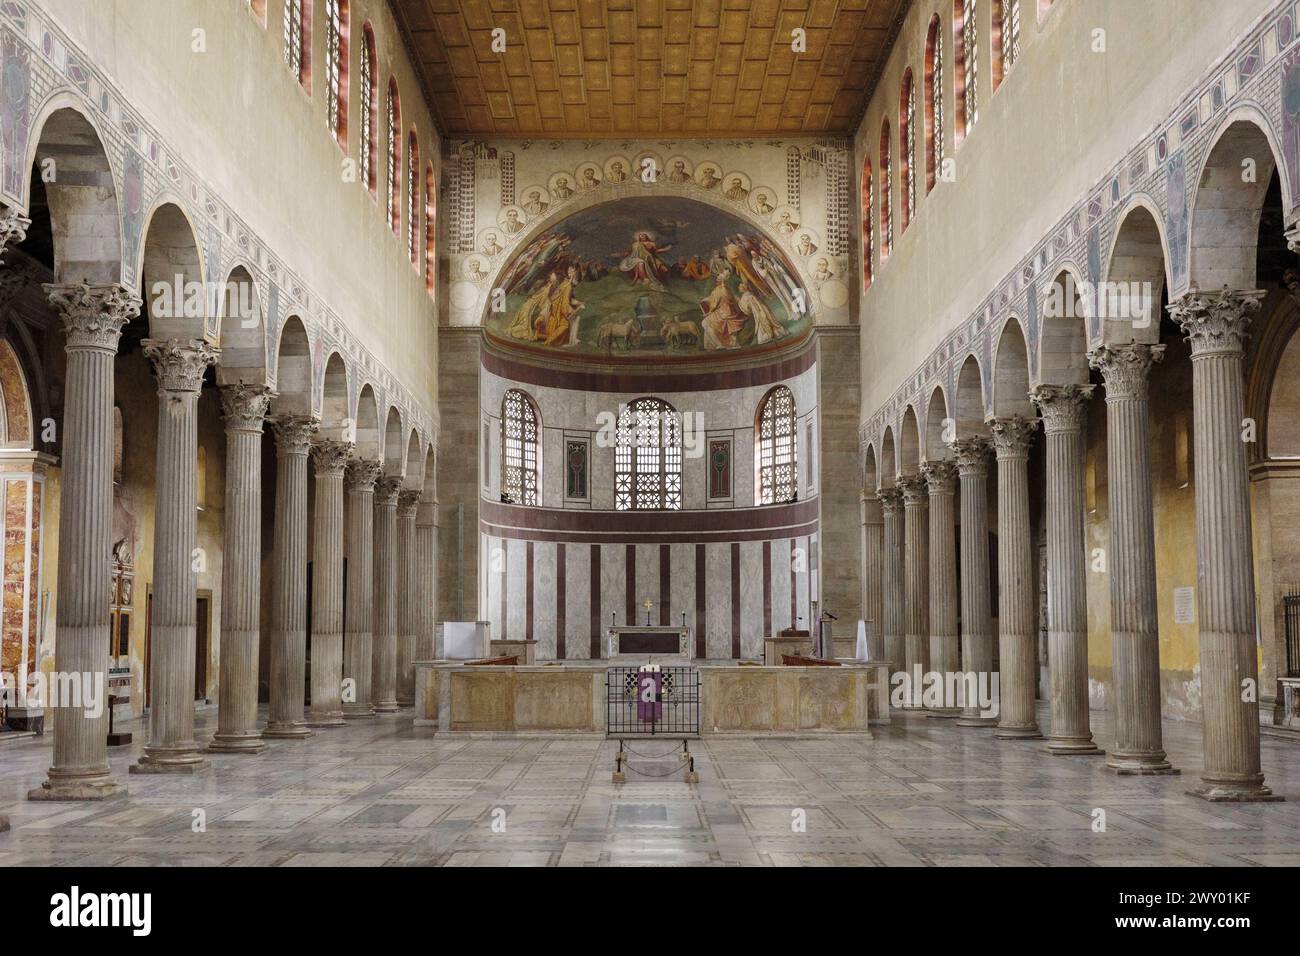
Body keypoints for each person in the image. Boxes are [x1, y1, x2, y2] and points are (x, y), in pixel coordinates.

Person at [700, 274, 746, 350]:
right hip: (730, 312)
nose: (717, 281)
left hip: (723, 313)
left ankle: (720, 344)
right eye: (717, 279)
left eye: (718, 279)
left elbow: (714, 303)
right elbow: (714, 298)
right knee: (707, 323)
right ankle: (716, 345)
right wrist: (707, 299)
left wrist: (709, 311)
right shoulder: (726, 289)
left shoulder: (720, 290)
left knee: (705, 323)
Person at [507, 272, 558, 341]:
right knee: (524, 308)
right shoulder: (545, 283)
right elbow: (536, 292)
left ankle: (516, 329)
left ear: (556, 278)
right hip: (533, 300)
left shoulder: (553, 288)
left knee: (526, 312)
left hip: (536, 303)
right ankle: (516, 327)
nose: (551, 275)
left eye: (553, 275)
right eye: (551, 274)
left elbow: (546, 299)